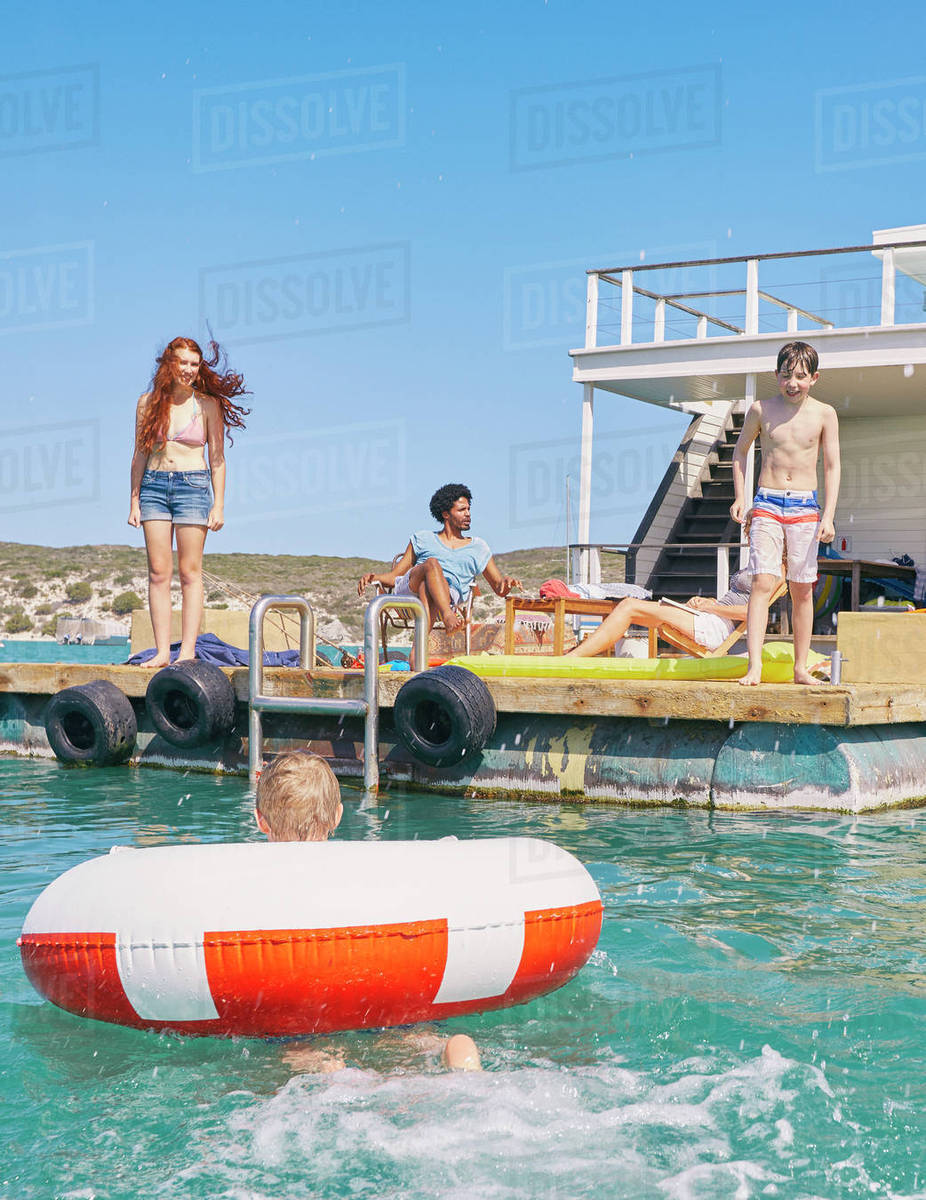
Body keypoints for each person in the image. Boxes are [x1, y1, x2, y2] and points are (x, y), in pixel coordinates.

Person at [255, 749, 482, 1074]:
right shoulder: (364, 871)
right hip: (376, 991)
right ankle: (455, 1052)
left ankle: (328, 1071)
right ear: (337, 816)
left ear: (260, 819)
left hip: (307, 1005)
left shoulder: (255, 885)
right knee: (412, 1037)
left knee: (295, 1046)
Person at [128, 336, 250, 668]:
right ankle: (162, 651)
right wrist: (134, 500)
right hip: (154, 485)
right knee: (157, 572)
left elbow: (218, 460)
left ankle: (187, 652)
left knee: (190, 572)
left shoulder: (207, 405)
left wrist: (219, 505)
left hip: (193, 488)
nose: (188, 370)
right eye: (183, 362)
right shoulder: (147, 403)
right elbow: (139, 455)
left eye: (194, 364)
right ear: (170, 363)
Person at [730, 341, 840, 686]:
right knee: (763, 582)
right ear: (775, 375)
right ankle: (755, 667)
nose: (793, 382)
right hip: (766, 502)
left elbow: (833, 466)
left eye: (800, 376)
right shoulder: (761, 409)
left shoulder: (825, 414)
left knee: (802, 588)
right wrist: (739, 497)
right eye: (786, 375)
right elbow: (740, 452)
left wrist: (830, 515)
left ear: (814, 378)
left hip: (805, 505)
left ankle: (800, 668)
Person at [357, 483, 523, 637]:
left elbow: (499, 588)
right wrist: (375, 577)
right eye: (462, 510)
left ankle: (417, 654)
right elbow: (395, 577)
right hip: (409, 593)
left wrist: (507, 582)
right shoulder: (423, 538)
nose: (468, 514)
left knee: (430, 587)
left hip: (447, 595)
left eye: (469, 509)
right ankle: (447, 616)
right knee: (431, 564)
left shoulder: (478, 547)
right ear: (445, 514)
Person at [567, 571, 753, 658]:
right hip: (710, 618)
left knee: (629, 606)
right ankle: (578, 656)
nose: (750, 534)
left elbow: (751, 613)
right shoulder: (758, 562)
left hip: (717, 628)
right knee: (628, 608)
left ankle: (573, 658)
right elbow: (732, 602)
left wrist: (711, 608)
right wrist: (708, 602)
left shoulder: (774, 569)